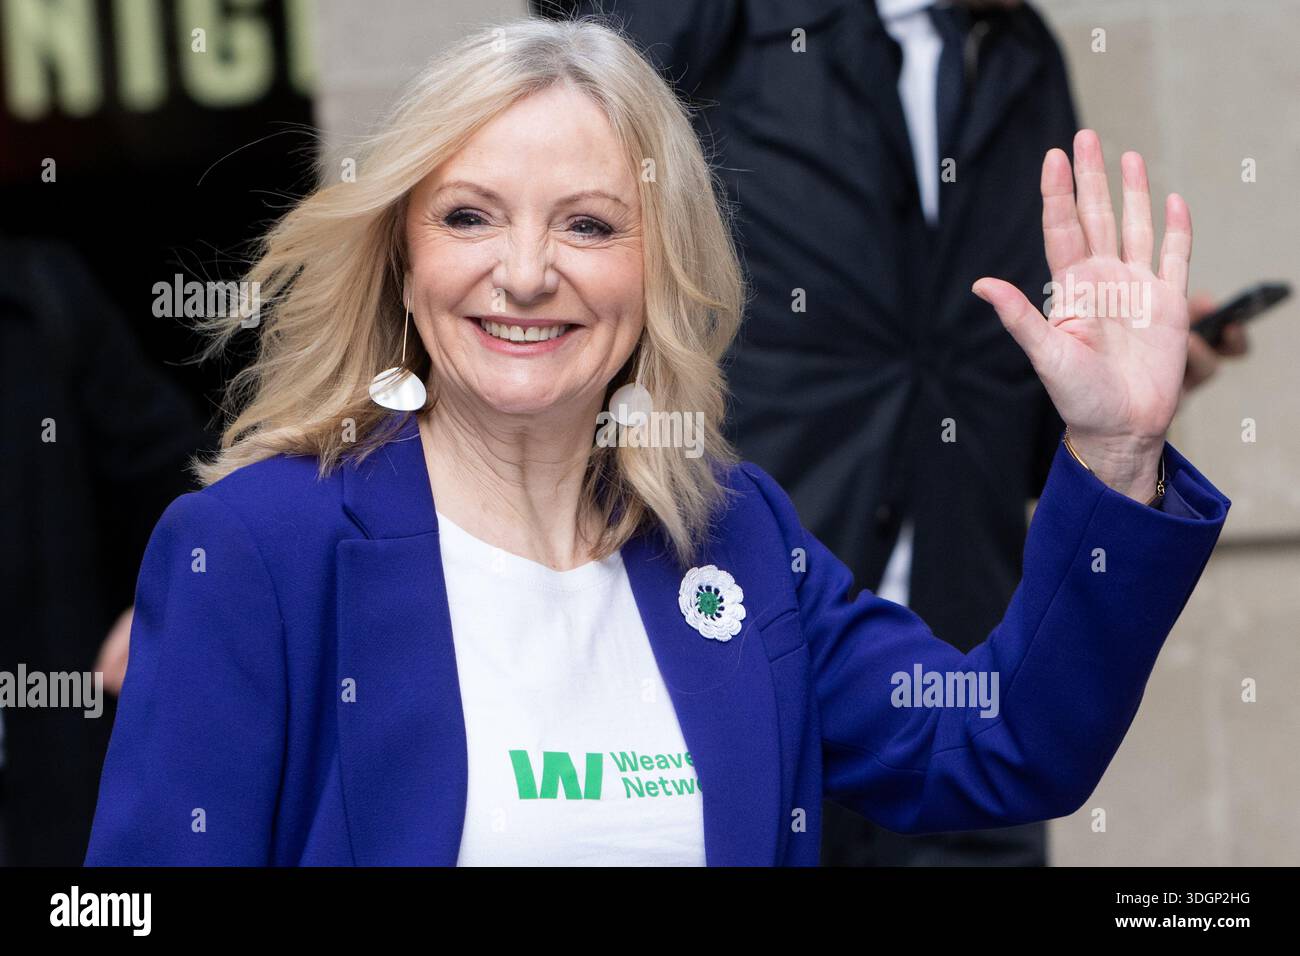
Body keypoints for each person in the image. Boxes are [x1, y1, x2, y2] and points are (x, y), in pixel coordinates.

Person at [84, 18, 1227, 867]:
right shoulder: (254, 549)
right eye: (469, 215)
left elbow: (1004, 740)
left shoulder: (733, 537)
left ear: (658, 269)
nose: (525, 271)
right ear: (401, 255)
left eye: (587, 223)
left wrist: (1113, 450)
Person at [539, 0, 1247, 866]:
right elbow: (570, 97)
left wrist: (1122, 420)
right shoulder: (721, 24)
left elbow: (1006, 383)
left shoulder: (1019, 51)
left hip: (960, 652)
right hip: (747, 622)